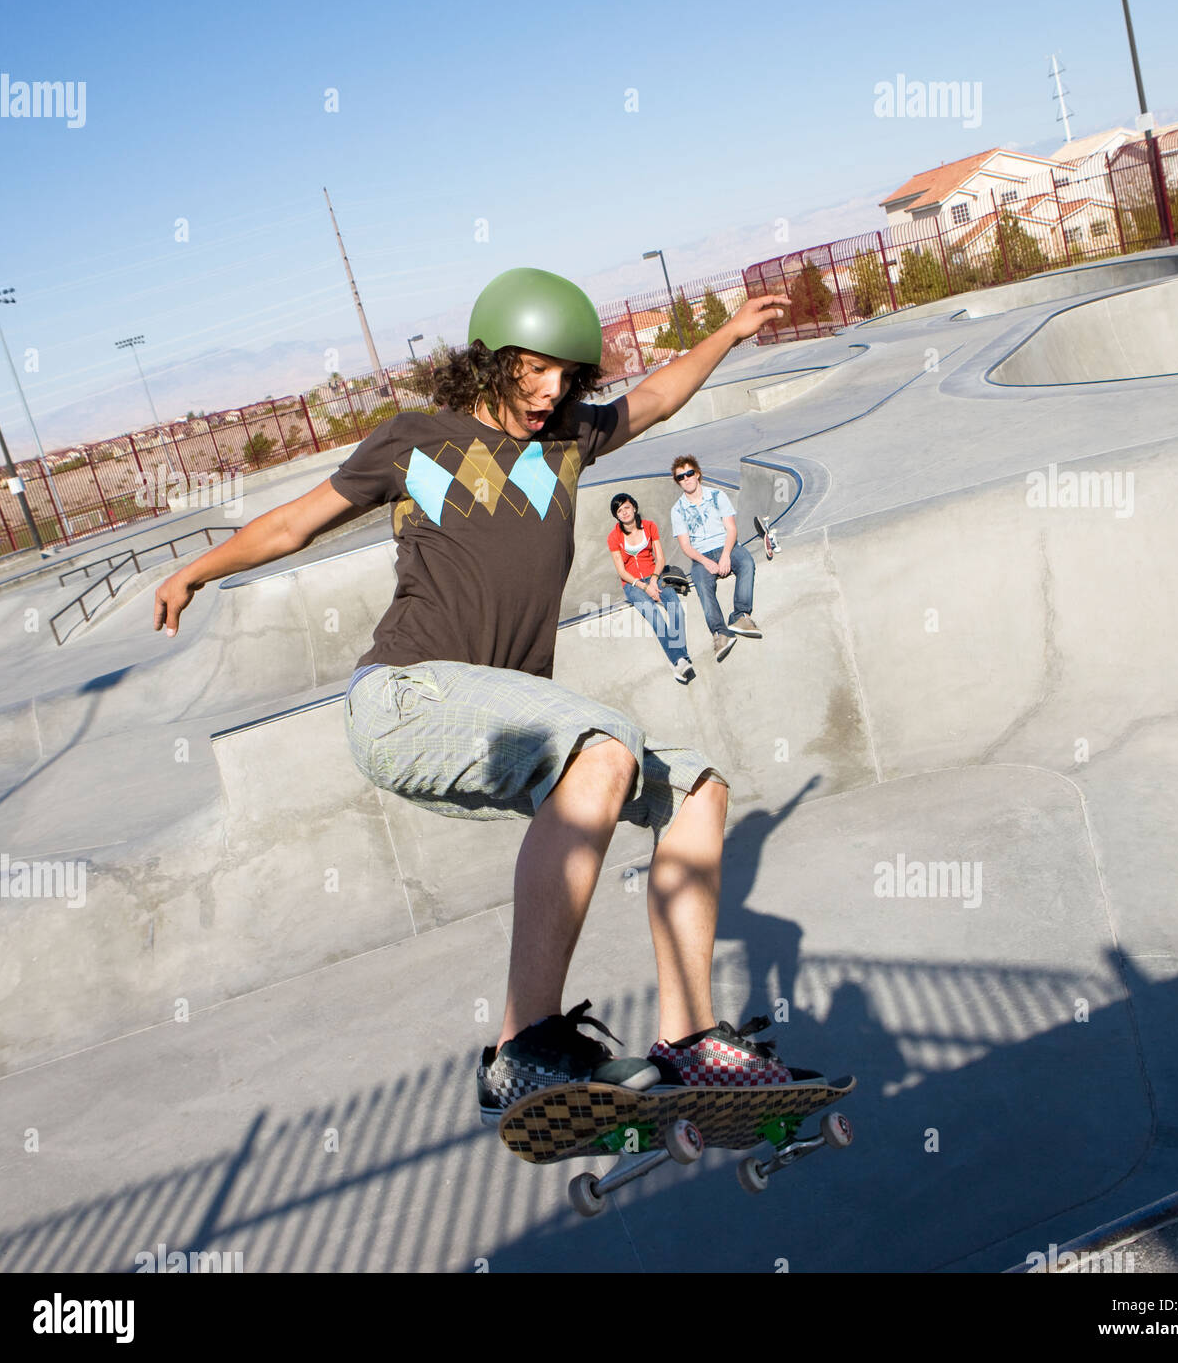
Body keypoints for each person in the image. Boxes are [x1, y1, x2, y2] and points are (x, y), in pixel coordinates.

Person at [153, 267, 818, 1118]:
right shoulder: (417, 442)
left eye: (566, 376)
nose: (549, 392)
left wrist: (725, 335)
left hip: (501, 720)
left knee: (696, 788)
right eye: (532, 369)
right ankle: (521, 1048)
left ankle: (689, 1039)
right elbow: (294, 522)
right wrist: (196, 572)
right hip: (405, 697)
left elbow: (653, 400)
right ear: (492, 359)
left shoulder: (569, 439)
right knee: (603, 744)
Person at [669, 455, 760, 662]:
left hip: (726, 545)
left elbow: (731, 529)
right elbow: (685, 546)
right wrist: (706, 561)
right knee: (701, 583)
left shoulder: (717, 496)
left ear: (698, 474)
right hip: (701, 554)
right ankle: (720, 633)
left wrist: (726, 555)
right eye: (681, 477)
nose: (686, 479)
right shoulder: (677, 510)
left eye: (689, 473)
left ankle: (740, 615)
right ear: (678, 482)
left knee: (746, 562)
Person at [606, 490, 694, 684]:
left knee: (675, 607)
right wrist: (644, 587)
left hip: (654, 575)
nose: (625, 512)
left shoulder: (649, 526)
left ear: (634, 507)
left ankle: (679, 660)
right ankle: (679, 659)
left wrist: (654, 580)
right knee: (654, 616)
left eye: (627, 507)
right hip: (632, 584)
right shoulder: (614, 537)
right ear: (617, 516)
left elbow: (660, 558)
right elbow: (621, 571)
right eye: (620, 511)